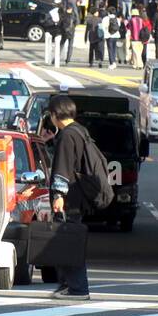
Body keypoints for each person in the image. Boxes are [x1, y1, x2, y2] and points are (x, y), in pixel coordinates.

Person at [48, 94, 91, 300]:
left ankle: (78, 288)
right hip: (78, 196)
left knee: (69, 243)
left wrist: (58, 195)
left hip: (69, 199)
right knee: (67, 241)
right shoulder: (80, 131)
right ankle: (67, 285)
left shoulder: (67, 136)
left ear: (55, 114)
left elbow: (63, 169)